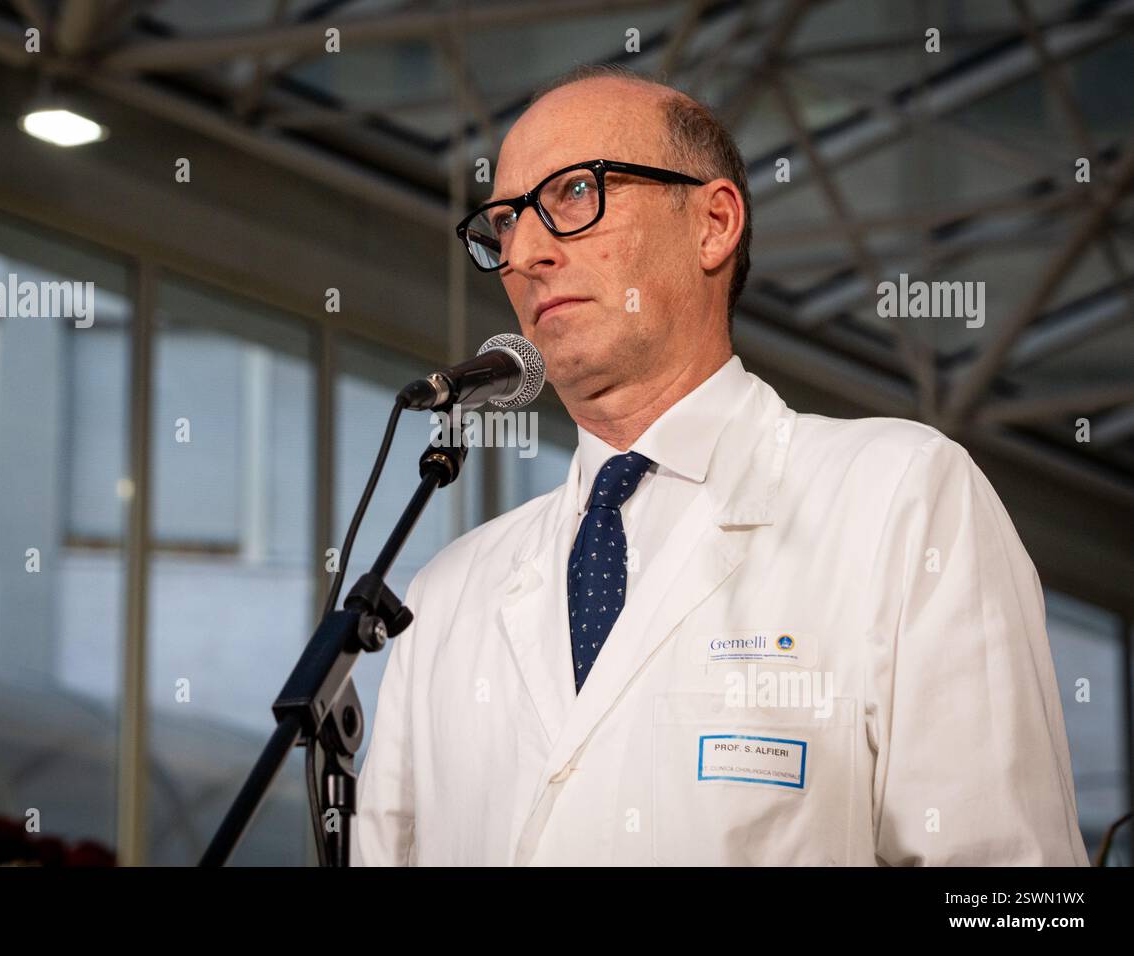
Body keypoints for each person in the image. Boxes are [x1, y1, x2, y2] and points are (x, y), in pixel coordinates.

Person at [352, 66, 1087, 866]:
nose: (524, 253)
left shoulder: (899, 497)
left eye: (572, 195)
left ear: (712, 224)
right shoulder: (446, 594)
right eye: (502, 225)